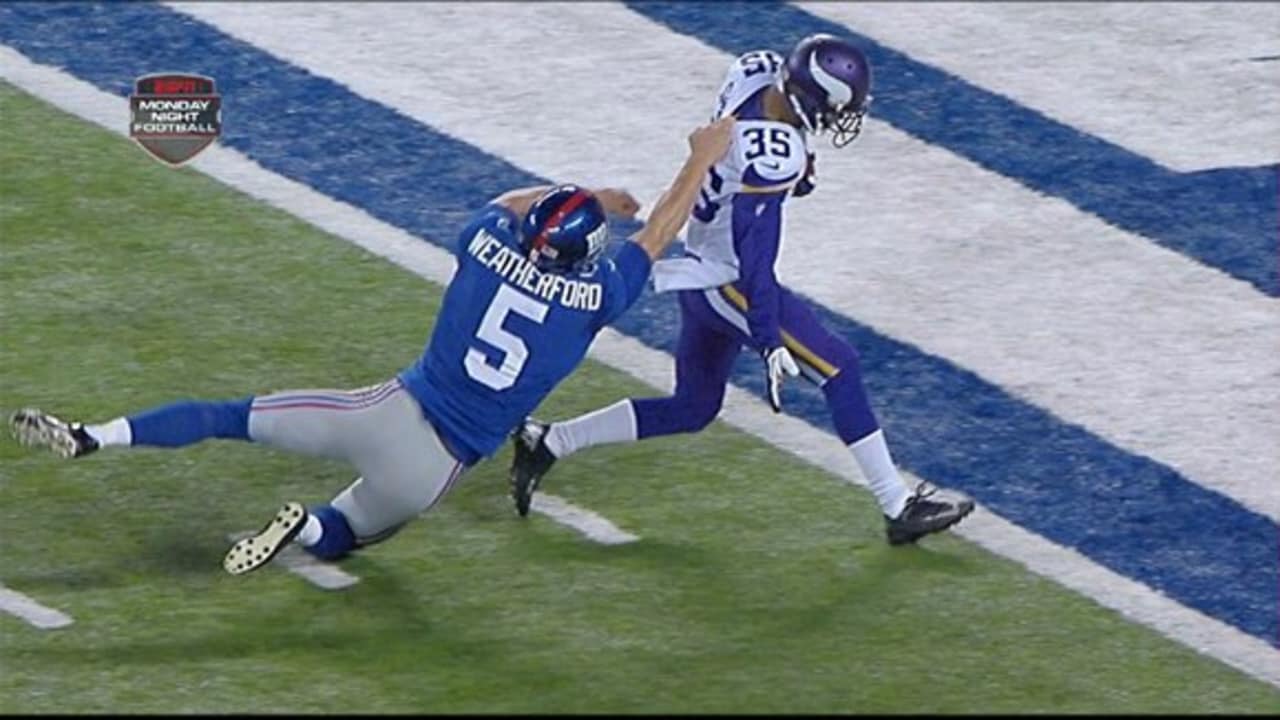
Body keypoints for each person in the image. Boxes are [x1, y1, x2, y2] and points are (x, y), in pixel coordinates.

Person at [9, 116, 736, 575]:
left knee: (228, 415)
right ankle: (310, 525)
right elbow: (661, 229)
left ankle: (97, 436)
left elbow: (512, 204)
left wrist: (586, 193)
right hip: (439, 464)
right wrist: (701, 160)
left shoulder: (484, 245)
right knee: (354, 531)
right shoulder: (596, 296)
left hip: (385, 411)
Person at [509, 35, 974, 545]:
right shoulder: (776, 153)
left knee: (694, 406)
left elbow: (737, 155)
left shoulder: (753, 74)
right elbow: (757, 253)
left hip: (702, 265)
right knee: (840, 367)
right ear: (809, 100)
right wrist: (768, 332)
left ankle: (549, 441)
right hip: (726, 281)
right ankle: (898, 505)